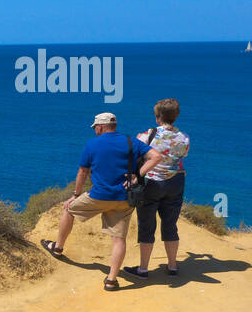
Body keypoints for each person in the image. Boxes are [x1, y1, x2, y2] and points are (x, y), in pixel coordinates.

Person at [41, 111, 164, 290]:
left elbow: (82, 172)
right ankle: (111, 280)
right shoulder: (131, 142)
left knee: (69, 209)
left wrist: (75, 195)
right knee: (119, 240)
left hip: (98, 196)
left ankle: (58, 247)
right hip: (124, 198)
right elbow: (156, 157)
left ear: (100, 127)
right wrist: (137, 175)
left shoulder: (92, 144)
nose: (95, 130)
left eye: (95, 127)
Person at [123, 98, 189, 279]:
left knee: (147, 225)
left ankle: (143, 269)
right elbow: (183, 155)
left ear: (159, 116)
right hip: (175, 183)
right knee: (170, 224)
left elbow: (135, 149)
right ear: (175, 116)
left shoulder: (148, 135)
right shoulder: (184, 137)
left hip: (151, 183)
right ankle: (173, 266)